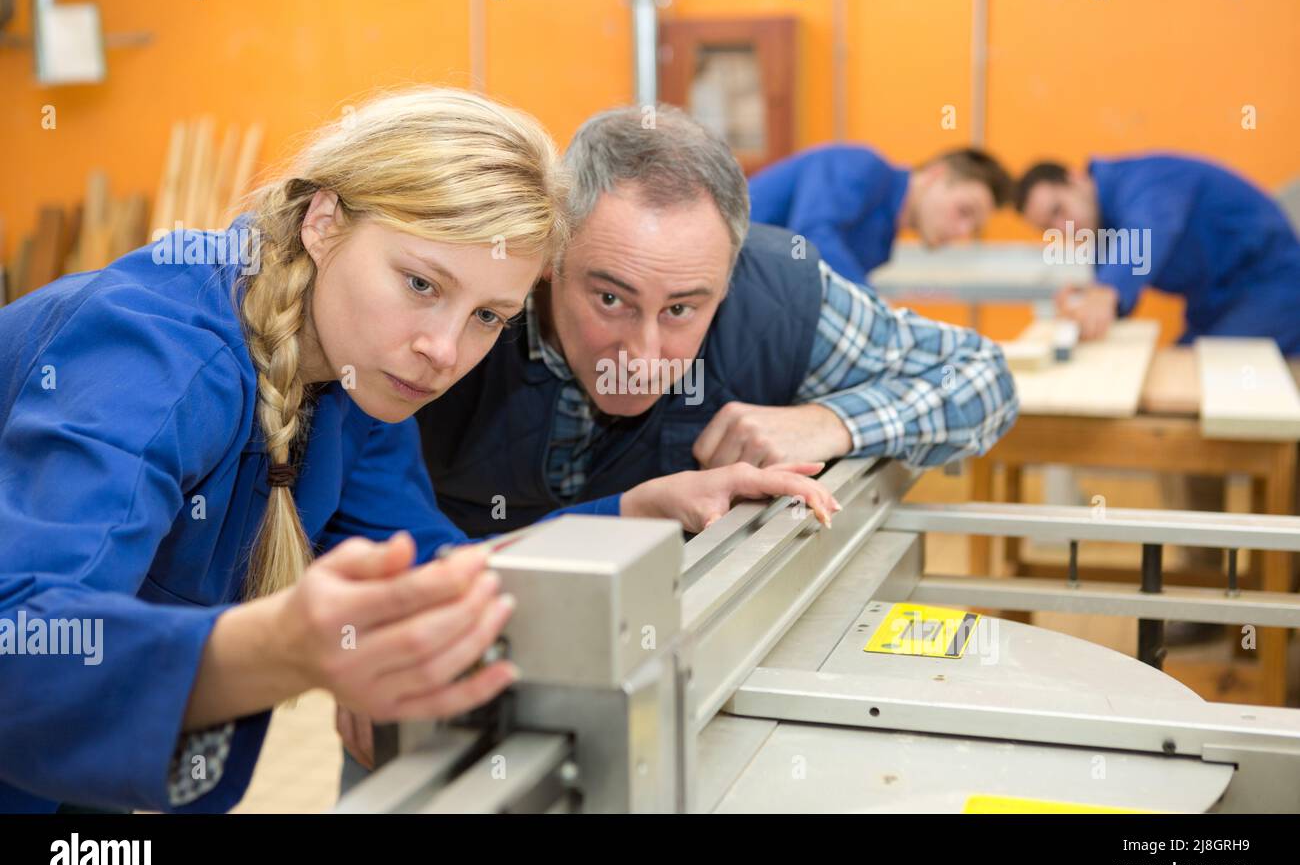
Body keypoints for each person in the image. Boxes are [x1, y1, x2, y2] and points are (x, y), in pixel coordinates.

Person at [0, 88, 838, 813]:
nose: (444, 351)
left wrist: (627, 512)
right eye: (421, 284)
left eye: (487, 317)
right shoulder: (149, 358)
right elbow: (23, 644)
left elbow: (426, 570)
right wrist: (280, 650)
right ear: (325, 220)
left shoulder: (360, 387)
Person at [417, 106, 1019, 539]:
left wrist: (831, 421)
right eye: (610, 299)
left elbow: (983, 378)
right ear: (552, 256)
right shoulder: (470, 292)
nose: (644, 356)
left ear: (731, 274)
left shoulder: (779, 298)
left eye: (681, 309)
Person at [1016, 154, 1300, 351]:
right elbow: (1112, 291)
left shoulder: (1145, 180)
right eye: (1048, 227)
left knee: (1195, 379)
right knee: (1177, 370)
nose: (1062, 229)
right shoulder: (1103, 226)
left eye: (1058, 210)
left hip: (1274, 285)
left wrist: (1104, 292)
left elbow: (1149, 227)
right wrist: (1084, 305)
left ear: (1076, 179)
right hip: (1215, 307)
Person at [746, 144, 1014, 284]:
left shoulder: (881, 243)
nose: (962, 232)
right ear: (935, 175)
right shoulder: (863, 167)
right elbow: (810, 238)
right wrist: (877, 313)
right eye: (964, 211)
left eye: (973, 228)